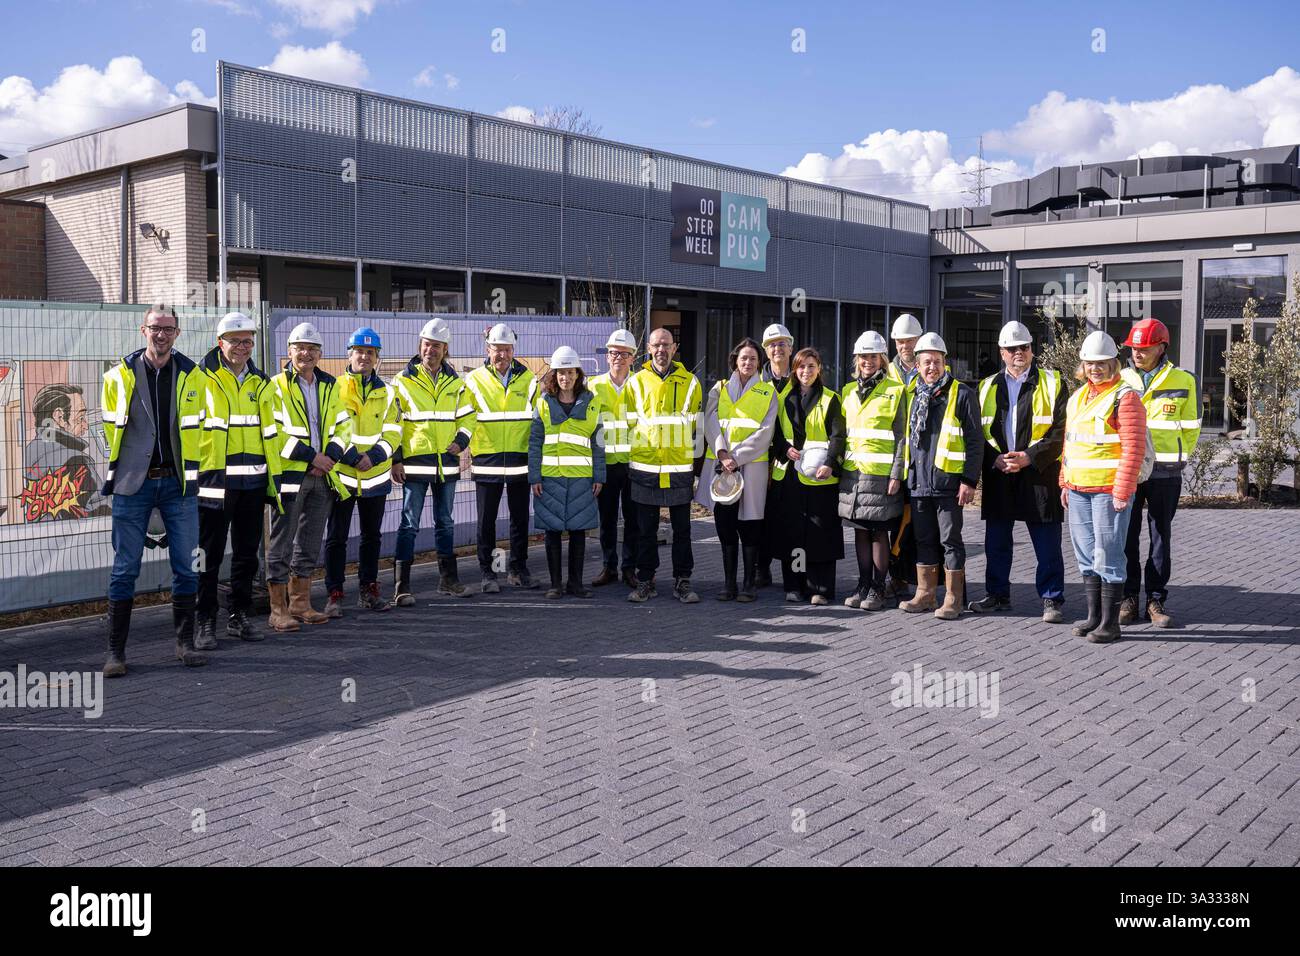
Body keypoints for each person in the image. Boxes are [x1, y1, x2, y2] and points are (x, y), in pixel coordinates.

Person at [99, 304, 208, 676]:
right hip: (134, 484)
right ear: (142, 330)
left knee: (187, 566)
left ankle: (185, 644)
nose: (161, 335)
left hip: (179, 485)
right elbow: (109, 430)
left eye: (168, 329)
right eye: (155, 328)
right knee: (125, 568)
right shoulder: (119, 376)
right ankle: (116, 653)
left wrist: (194, 474)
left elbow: (201, 430)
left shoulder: (192, 375)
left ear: (177, 333)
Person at [967, 321, 1068, 623]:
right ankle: (997, 594)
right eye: (1012, 348)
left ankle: (1052, 598)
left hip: (1039, 472)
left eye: (1023, 347)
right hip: (1000, 472)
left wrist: (1029, 457)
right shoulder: (985, 387)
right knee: (997, 541)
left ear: (1032, 350)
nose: (1018, 353)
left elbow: (1063, 430)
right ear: (1002, 353)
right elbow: (975, 433)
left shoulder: (1053, 382)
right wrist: (994, 459)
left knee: (1047, 542)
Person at [194, 311, 282, 649]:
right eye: (235, 341)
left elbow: (270, 434)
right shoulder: (200, 379)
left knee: (247, 555)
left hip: (253, 483)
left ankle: (239, 616)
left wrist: (273, 482)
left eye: (248, 341)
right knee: (207, 554)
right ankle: (204, 620)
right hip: (215, 483)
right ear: (220, 342)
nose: (242, 347)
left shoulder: (262, 384)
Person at [1060, 331, 1148, 644]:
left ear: (1113, 363)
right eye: (1090, 363)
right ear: (1082, 365)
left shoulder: (1125, 397)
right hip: (1079, 488)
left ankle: (1111, 624)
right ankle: (1094, 616)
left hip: (1109, 491)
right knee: (1085, 554)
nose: (1095, 368)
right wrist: (1064, 481)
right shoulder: (1078, 397)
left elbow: (1134, 447)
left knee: (1108, 554)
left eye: (1101, 363)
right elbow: (1070, 443)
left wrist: (1123, 490)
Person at [1119, 318, 1200, 628]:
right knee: (1126, 535)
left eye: (1144, 347)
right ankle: (1128, 598)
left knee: (1160, 537)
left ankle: (1155, 599)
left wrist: (1177, 454)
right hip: (1130, 469)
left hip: (1166, 472)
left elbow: (1191, 427)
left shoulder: (1183, 380)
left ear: (1162, 347)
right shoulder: (1121, 377)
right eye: (1134, 347)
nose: (1137, 352)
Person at [268, 322, 349, 631]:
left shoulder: (330, 385)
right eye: (300, 348)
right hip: (292, 475)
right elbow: (273, 433)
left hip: (323, 475)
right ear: (290, 352)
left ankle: (301, 603)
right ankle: (278, 610)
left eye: (312, 349)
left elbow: (344, 426)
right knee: (282, 542)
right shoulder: (275, 386)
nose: (306, 353)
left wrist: (328, 456)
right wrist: (310, 456)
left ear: (320, 354)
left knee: (310, 542)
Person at [898, 333, 983, 619]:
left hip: (948, 485)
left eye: (936, 361)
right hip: (920, 483)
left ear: (945, 363)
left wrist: (969, 480)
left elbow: (974, 441)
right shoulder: (913, 393)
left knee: (951, 542)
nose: (931, 367)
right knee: (923, 540)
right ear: (918, 365)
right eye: (925, 362)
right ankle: (924, 594)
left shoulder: (961, 393)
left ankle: (953, 599)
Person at [390, 317, 475, 605]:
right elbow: (393, 422)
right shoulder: (403, 381)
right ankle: (402, 587)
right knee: (409, 524)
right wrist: (396, 459)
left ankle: (448, 581)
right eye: (427, 345)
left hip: (446, 465)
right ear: (420, 346)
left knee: (446, 523)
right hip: (414, 464)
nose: (431, 350)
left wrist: (462, 441)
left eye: (437, 346)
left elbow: (468, 417)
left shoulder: (456, 382)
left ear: (445, 348)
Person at [324, 327, 401, 615]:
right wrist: (354, 457)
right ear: (349, 354)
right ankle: (334, 593)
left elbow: (394, 430)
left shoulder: (388, 391)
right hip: (343, 475)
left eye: (370, 353)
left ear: (377, 357)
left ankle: (368, 590)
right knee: (337, 537)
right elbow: (331, 427)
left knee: (372, 537)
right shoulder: (334, 388)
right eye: (359, 351)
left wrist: (377, 455)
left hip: (376, 476)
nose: (364, 357)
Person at [697, 337, 778, 602]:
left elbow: (766, 432)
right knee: (725, 523)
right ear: (735, 360)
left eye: (753, 358)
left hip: (750, 467)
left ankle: (748, 584)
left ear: (759, 363)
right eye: (744, 358)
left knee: (751, 525)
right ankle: (729, 583)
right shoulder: (718, 389)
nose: (748, 362)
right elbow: (710, 421)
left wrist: (736, 457)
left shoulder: (768, 392)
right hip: (722, 465)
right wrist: (722, 452)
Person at [626, 327, 702, 604]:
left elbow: (698, 428)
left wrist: (697, 466)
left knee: (682, 530)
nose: (661, 350)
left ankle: (683, 581)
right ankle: (646, 580)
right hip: (645, 468)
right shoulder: (635, 382)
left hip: (679, 469)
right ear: (648, 348)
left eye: (666, 345)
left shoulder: (691, 382)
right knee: (646, 531)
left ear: (674, 347)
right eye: (656, 345)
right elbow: (626, 425)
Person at [464, 322, 539, 592]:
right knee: (487, 522)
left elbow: (537, 421)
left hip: (520, 460)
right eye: (497, 350)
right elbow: (465, 419)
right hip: (487, 460)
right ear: (488, 349)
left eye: (507, 350)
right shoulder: (473, 380)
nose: (502, 356)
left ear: (513, 350)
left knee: (519, 519)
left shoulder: (529, 380)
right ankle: (490, 572)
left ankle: (518, 569)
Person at [770, 348, 845, 605]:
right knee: (794, 532)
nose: (806, 371)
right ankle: (794, 586)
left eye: (811, 366)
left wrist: (830, 463)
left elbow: (838, 436)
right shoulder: (782, 398)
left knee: (820, 532)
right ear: (795, 370)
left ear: (819, 369)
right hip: (791, 475)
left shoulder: (830, 399)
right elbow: (776, 433)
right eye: (801, 367)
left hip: (821, 476)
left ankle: (820, 588)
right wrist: (784, 449)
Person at [529, 346, 605, 599]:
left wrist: (599, 476)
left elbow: (598, 444)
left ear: (578, 374)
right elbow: (535, 443)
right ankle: (555, 585)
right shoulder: (543, 404)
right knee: (551, 532)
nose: (566, 378)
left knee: (578, 532)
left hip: (581, 479)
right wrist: (535, 477)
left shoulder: (591, 404)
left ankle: (575, 584)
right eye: (561, 373)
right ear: (554, 375)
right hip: (550, 479)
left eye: (570, 372)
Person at [838, 331, 906, 611]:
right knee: (860, 531)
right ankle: (863, 584)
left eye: (873, 356)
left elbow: (902, 436)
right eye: (863, 356)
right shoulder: (847, 391)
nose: (868, 361)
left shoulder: (895, 391)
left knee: (879, 532)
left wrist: (896, 474)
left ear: (882, 359)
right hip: (853, 474)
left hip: (880, 475)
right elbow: (842, 435)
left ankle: (879, 588)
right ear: (857, 359)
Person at [588, 329, 640, 589]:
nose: (618, 357)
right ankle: (609, 567)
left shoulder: (640, 385)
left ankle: (629, 568)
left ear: (633, 358)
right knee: (606, 520)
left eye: (624, 354)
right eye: (613, 353)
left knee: (633, 519)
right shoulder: (593, 386)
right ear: (607, 357)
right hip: (606, 463)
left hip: (632, 463)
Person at [885, 312, 924, 600]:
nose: (903, 346)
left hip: (921, 459)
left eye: (908, 340)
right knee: (891, 521)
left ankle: (913, 577)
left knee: (915, 521)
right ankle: (895, 576)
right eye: (899, 341)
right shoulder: (886, 371)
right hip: (893, 458)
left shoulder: (930, 367)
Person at [755, 322, 795, 589]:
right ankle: (761, 567)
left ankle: (793, 572)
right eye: (772, 345)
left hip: (793, 459)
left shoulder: (801, 378)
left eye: (782, 343)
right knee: (762, 515)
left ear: (791, 347)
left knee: (789, 517)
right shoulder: (756, 382)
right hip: (762, 459)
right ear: (765, 352)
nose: (777, 348)